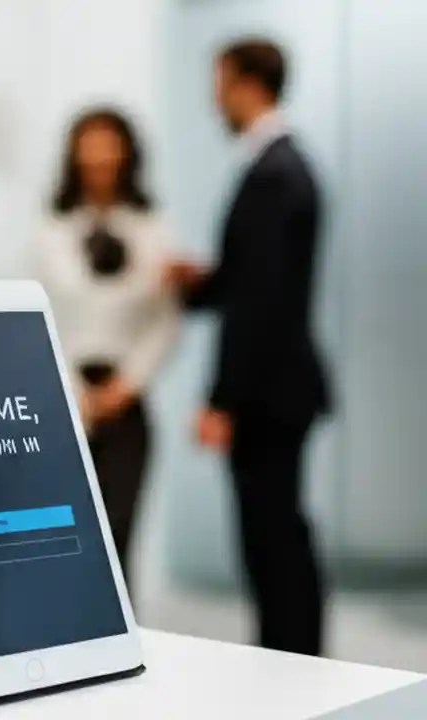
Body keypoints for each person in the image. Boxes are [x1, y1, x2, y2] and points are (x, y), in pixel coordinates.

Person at [168, 38, 330, 655]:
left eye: (220, 82)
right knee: (279, 535)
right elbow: (250, 282)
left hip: (268, 392)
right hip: (282, 386)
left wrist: (220, 401)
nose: (214, 99)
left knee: (273, 542)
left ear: (246, 83)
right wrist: (198, 285)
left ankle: (293, 667)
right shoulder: (282, 167)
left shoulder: (273, 174)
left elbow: (260, 307)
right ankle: (296, 659)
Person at [35, 108, 180, 587]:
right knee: (62, 539)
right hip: (63, 397)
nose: (99, 159)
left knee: (116, 541)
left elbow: (163, 321)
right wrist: (76, 392)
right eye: (89, 148)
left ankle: (119, 651)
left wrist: (126, 386)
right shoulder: (52, 232)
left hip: (125, 400)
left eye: (109, 147)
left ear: (127, 155)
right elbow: (37, 313)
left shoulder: (152, 229)